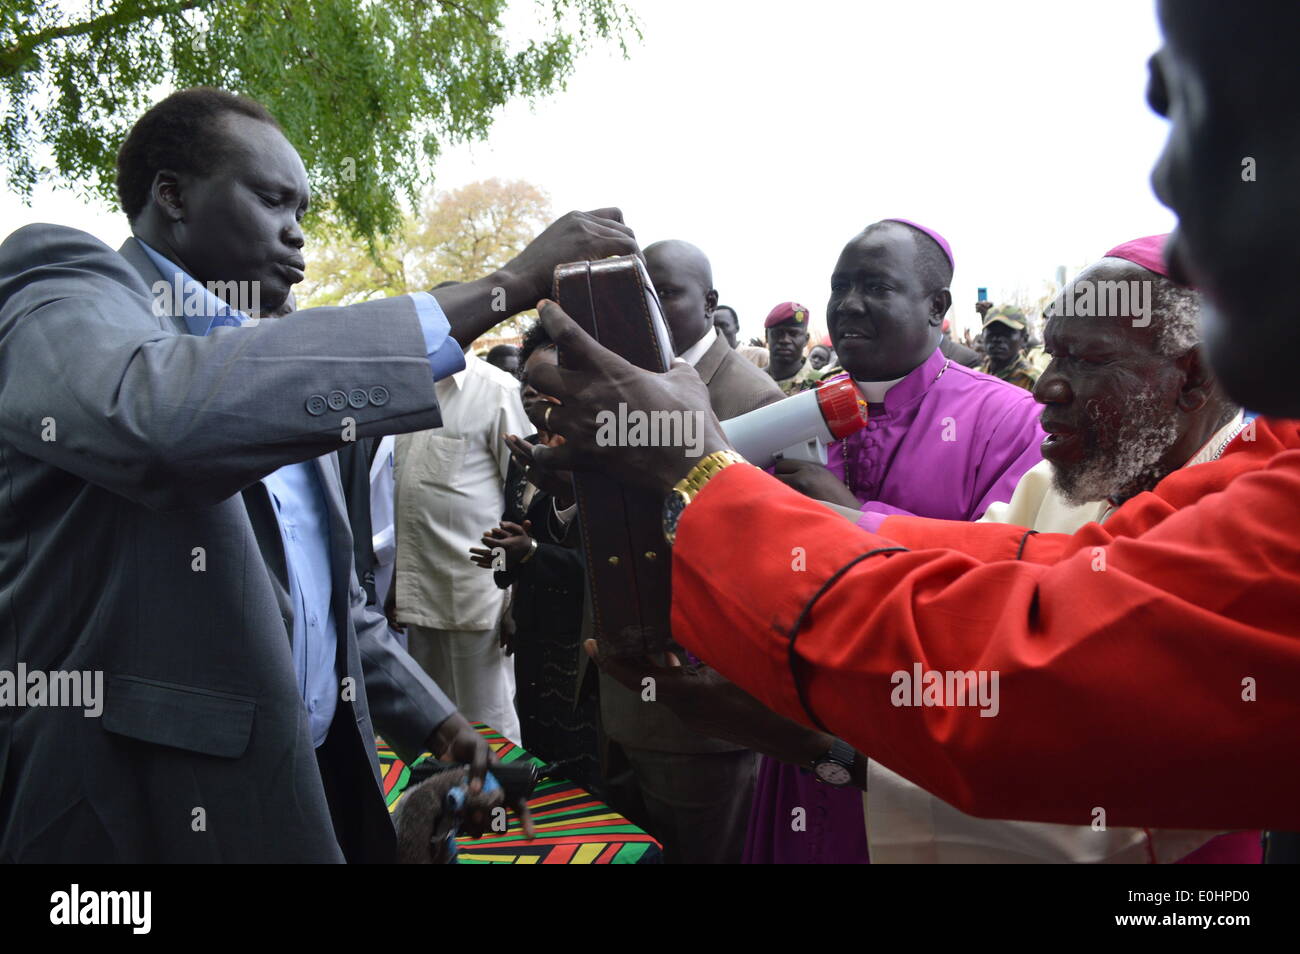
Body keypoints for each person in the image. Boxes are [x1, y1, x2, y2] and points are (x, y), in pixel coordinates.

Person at [514, 0, 1300, 832]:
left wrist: (700, 475)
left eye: (1214, 103)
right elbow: (1025, 566)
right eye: (836, 288)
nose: (1169, 183)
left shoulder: (1015, 425)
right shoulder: (1260, 462)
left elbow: (1009, 670)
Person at [0, 86, 635, 862]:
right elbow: (157, 421)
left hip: (307, 786)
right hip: (130, 813)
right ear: (172, 195)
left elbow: (331, 604)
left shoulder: (287, 371)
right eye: (271, 201)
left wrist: (442, 727)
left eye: (301, 211)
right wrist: (504, 283)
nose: (295, 235)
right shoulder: (60, 281)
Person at [869, 236, 1258, 863]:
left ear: (1192, 377)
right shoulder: (1053, 484)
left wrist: (836, 755)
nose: (1046, 388)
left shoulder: (1256, 525)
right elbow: (954, 592)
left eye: (1084, 359)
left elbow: (1121, 794)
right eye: (1051, 356)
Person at [746, 218, 1044, 863]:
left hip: (915, 741)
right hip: (798, 727)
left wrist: (853, 514)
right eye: (840, 286)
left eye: (876, 287)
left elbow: (1010, 579)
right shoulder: (797, 410)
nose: (848, 305)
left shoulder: (1009, 419)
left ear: (937, 308)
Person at [588, 239, 782, 864]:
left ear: (711, 301)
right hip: (619, 693)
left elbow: (770, 561)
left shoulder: (756, 398)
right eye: (642, 293)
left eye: (667, 291)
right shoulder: (620, 384)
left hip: (703, 714)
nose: (651, 307)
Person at [470, 322, 602, 796]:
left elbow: (603, 569)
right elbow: (518, 531)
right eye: (527, 382)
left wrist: (534, 553)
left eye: (546, 383)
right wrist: (506, 558)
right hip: (534, 637)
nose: (532, 394)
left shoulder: (606, 456)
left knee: (585, 773)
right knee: (539, 756)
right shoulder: (522, 449)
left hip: (584, 649)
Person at [394, 348, 532, 746]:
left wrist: (516, 598)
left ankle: (502, 807)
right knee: (436, 726)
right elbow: (409, 497)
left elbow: (526, 494)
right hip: (420, 595)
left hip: (478, 597)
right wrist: (397, 587)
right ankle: (452, 805)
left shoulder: (496, 390)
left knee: (488, 723)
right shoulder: (410, 391)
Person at [765, 301, 821, 394]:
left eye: (793, 333)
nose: (785, 340)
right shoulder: (753, 380)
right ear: (767, 336)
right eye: (778, 333)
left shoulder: (820, 384)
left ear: (806, 339)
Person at [978, 309, 1039, 390]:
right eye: (992, 332)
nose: (997, 339)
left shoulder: (1034, 382)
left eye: (1006, 333)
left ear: (1024, 339)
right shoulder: (975, 374)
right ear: (982, 336)